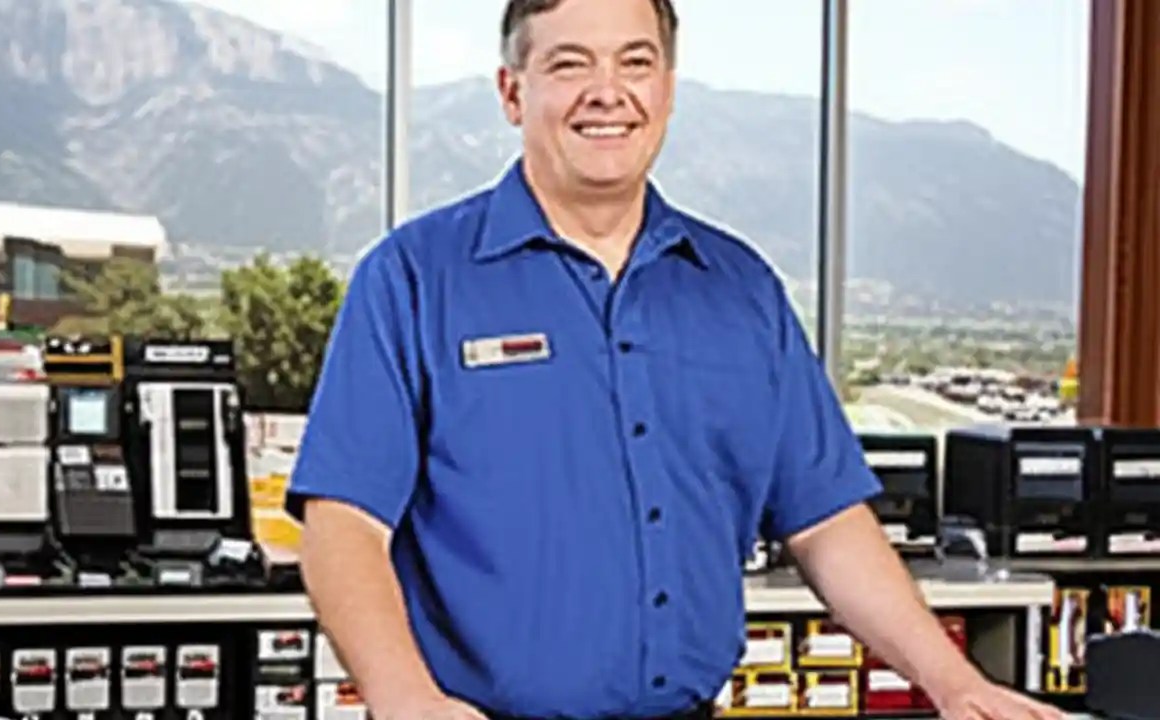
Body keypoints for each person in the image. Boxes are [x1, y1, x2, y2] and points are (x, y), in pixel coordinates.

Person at [287, 1, 1065, 718]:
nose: (607, 92)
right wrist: (403, 698)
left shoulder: (740, 289)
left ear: (666, 88)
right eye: (568, 64)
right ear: (512, 91)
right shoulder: (414, 278)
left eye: (635, 62)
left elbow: (826, 520)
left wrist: (955, 681)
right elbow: (343, 522)